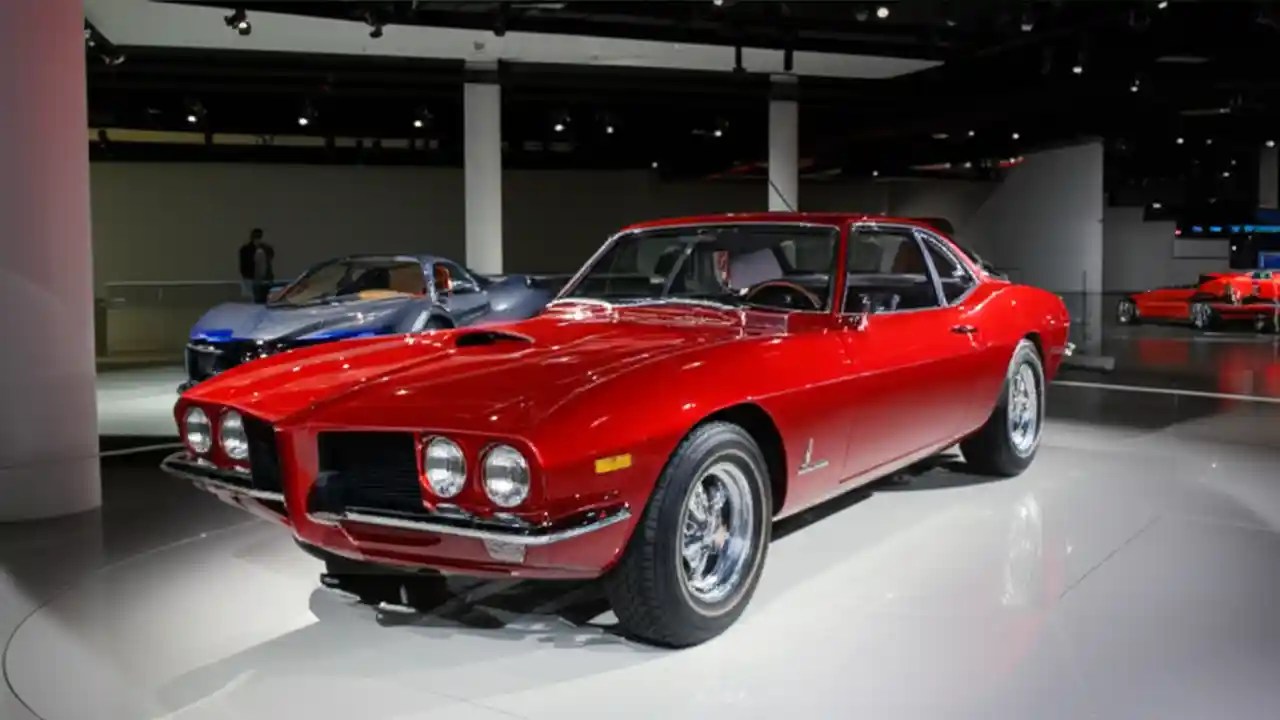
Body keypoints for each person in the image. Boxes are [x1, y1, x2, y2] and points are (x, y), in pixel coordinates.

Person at [238, 228, 275, 303]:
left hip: (262, 280)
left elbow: (268, 264)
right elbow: (244, 266)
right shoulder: (246, 250)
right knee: (252, 300)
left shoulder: (266, 249)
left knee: (260, 299)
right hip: (251, 279)